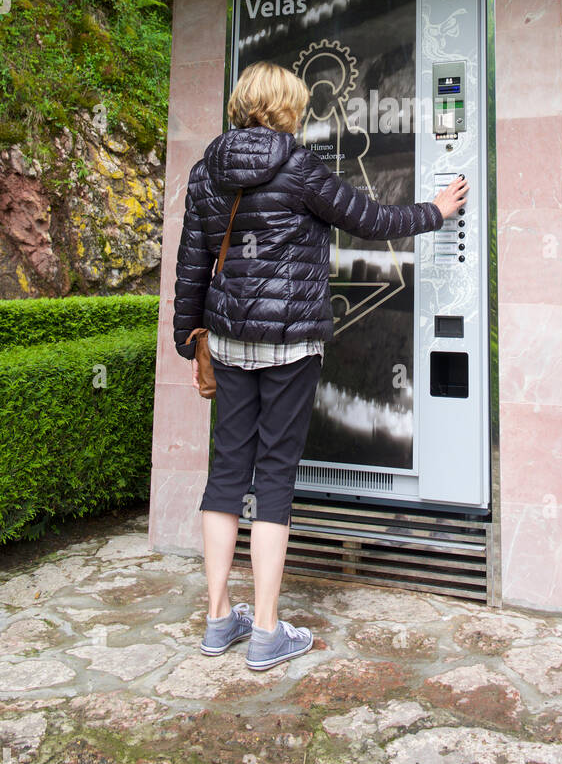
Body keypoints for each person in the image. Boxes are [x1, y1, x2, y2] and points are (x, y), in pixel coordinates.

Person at [172, 60, 468, 671]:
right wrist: (435, 211)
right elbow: (372, 221)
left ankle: (218, 618)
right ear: (288, 107)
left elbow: (191, 263)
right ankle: (267, 631)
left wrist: (188, 339)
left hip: (229, 343)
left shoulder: (207, 171)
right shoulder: (298, 167)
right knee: (274, 476)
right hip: (289, 345)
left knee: (226, 473)